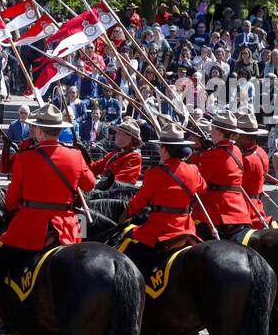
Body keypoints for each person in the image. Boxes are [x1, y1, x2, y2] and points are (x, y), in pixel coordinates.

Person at [0, 105, 94, 335]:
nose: (31, 130)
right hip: (67, 230)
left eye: (34, 127)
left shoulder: (25, 158)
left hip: (31, 228)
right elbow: (90, 184)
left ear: (41, 132)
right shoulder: (75, 155)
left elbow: (12, 200)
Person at [121, 121, 208, 273]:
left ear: (164, 149)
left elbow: (139, 202)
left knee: (128, 252)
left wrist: (128, 213)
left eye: (160, 146)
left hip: (161, 229)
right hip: (186, 228)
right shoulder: (193, 169)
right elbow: (203, 188)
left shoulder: (154, 173)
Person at [192, 108, 254, 239]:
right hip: (239, 209)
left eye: (213, 129)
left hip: (218, 210)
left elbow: (200, 184)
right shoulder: (236, 149)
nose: (210, 131)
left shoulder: (212, 154)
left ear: (220, 132)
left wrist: (199, 156)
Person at [233, 111, 274, 228]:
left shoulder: (244, 159)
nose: (234, 139)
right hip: (257, 204)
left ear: (243, 137)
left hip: (244, 208)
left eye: (236, 136)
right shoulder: (262, 152)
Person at [90, 118, 143, 187]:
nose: (115, 135)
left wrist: (97, 186)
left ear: (129, 137)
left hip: (116, 196)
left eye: (119, 132)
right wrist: (82, 159)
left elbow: (119, 183)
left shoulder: (134, 158)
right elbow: (96, 167)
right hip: (105, 193)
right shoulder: (114, 154)